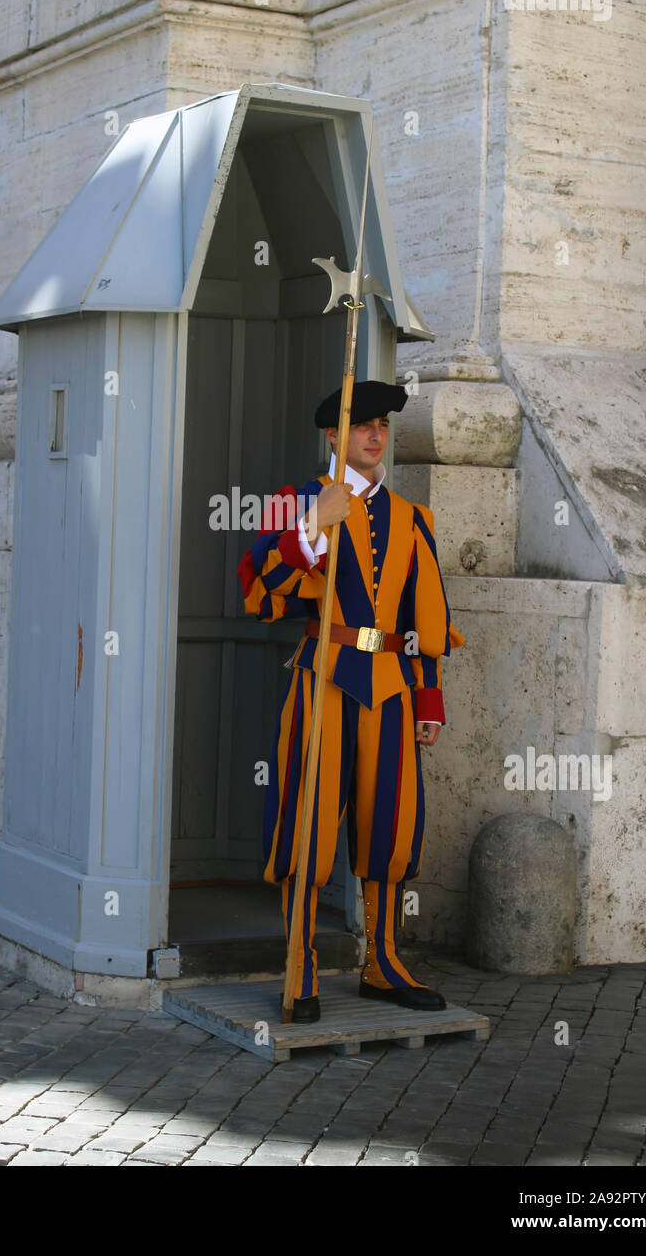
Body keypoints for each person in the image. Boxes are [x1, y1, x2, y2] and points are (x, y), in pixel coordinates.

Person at [238, 379, 464, 1022]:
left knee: (390, 827)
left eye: (383, 427)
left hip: (391, 686)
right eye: (362, 426)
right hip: (325, 676)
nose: (375, 436)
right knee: (307, 826)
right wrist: (314, 526)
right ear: (333, 435)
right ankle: (301, 966)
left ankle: (383, 962)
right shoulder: (297, 502)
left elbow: (424, 618)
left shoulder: (410, 519)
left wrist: (428, 702)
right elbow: (262, 587)